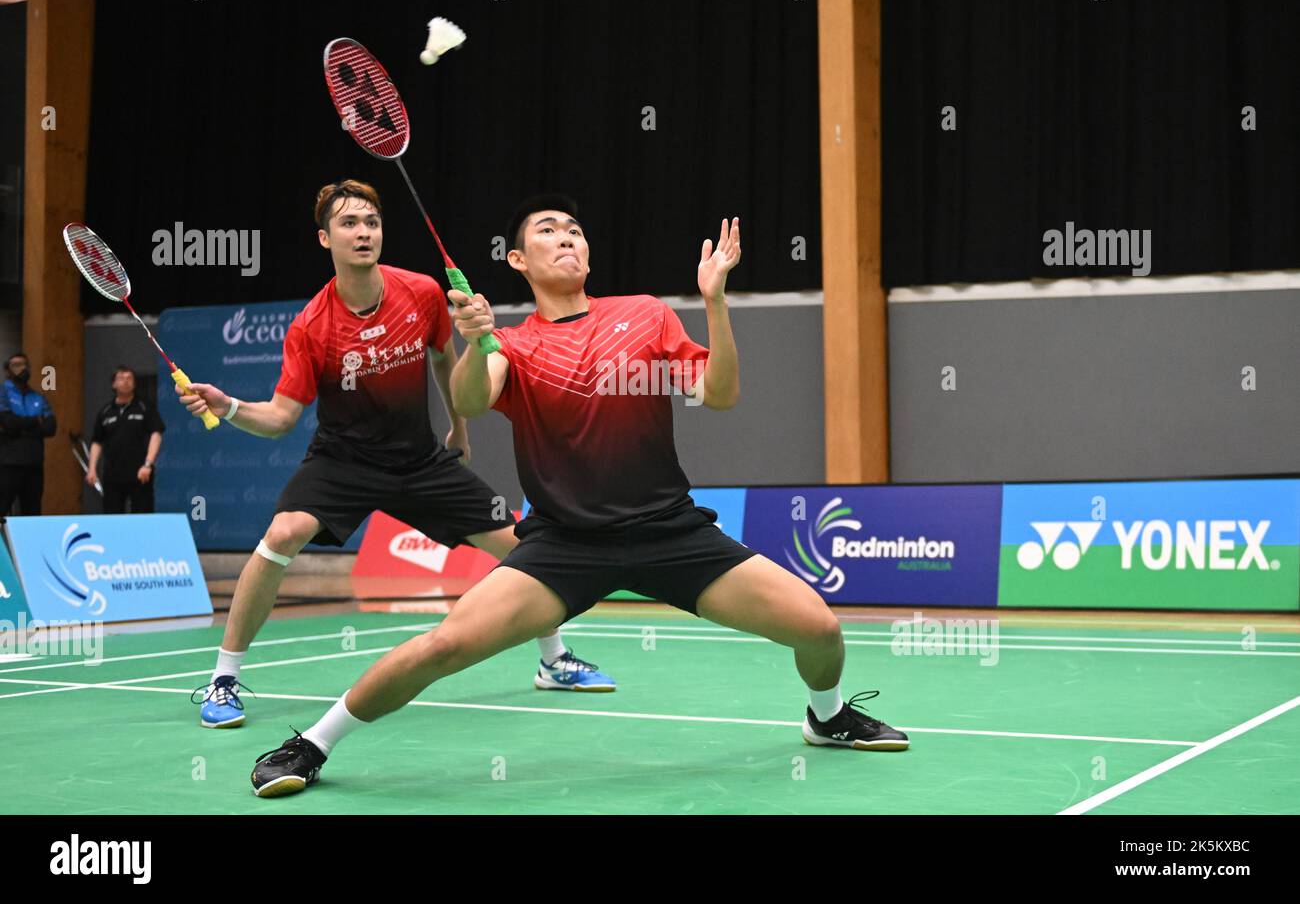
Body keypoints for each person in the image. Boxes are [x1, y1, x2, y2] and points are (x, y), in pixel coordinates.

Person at [247, 194, 907, 798]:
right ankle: (310, 744)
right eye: (547, 231)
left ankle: (827, 718)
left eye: (575, 230)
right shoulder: (513, 344)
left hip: (669, 532)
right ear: (516, 259)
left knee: (819, 627)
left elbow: (720, 393)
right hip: (566, 544)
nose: (566, 238)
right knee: (445, 646)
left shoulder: (643, 315)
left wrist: (715, 303)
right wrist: (475, 340)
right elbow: (473, 397)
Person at [177, 181, 616, 730]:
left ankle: (554, 661)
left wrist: (459, 429)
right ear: (325, 238)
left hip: (419, 460)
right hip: (343, 462)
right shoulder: (312, 326)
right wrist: (232, 404)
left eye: (372, 222)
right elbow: (281, 419)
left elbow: (443, 359)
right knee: (283, 534)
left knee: (523, 545)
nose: (363, 233)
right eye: (349, 224)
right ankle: (223, 678)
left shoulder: (422, 292)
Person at [87, 366, 165, 513]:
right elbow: (97, 441)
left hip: (140, 473)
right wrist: (92, 469)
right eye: (121, 378)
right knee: (112, 517)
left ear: (134, 384)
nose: (125, 382)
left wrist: (148, 464)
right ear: (113, 384)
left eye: (129, 378)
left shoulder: (144, 407)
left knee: (142, 516)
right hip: (112, 475)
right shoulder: (105, 411)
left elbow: (156, 433)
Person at [0, 352, 57, 517]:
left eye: (25, 364)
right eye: (17, 365)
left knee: (32, 512)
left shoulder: (38, 397)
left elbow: (50, 427)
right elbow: (7, 422)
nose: (22, 368)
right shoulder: (3, 393)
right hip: (8, 463)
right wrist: (35, 421)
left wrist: (20, 426)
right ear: (7, 371)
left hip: (33, 464)